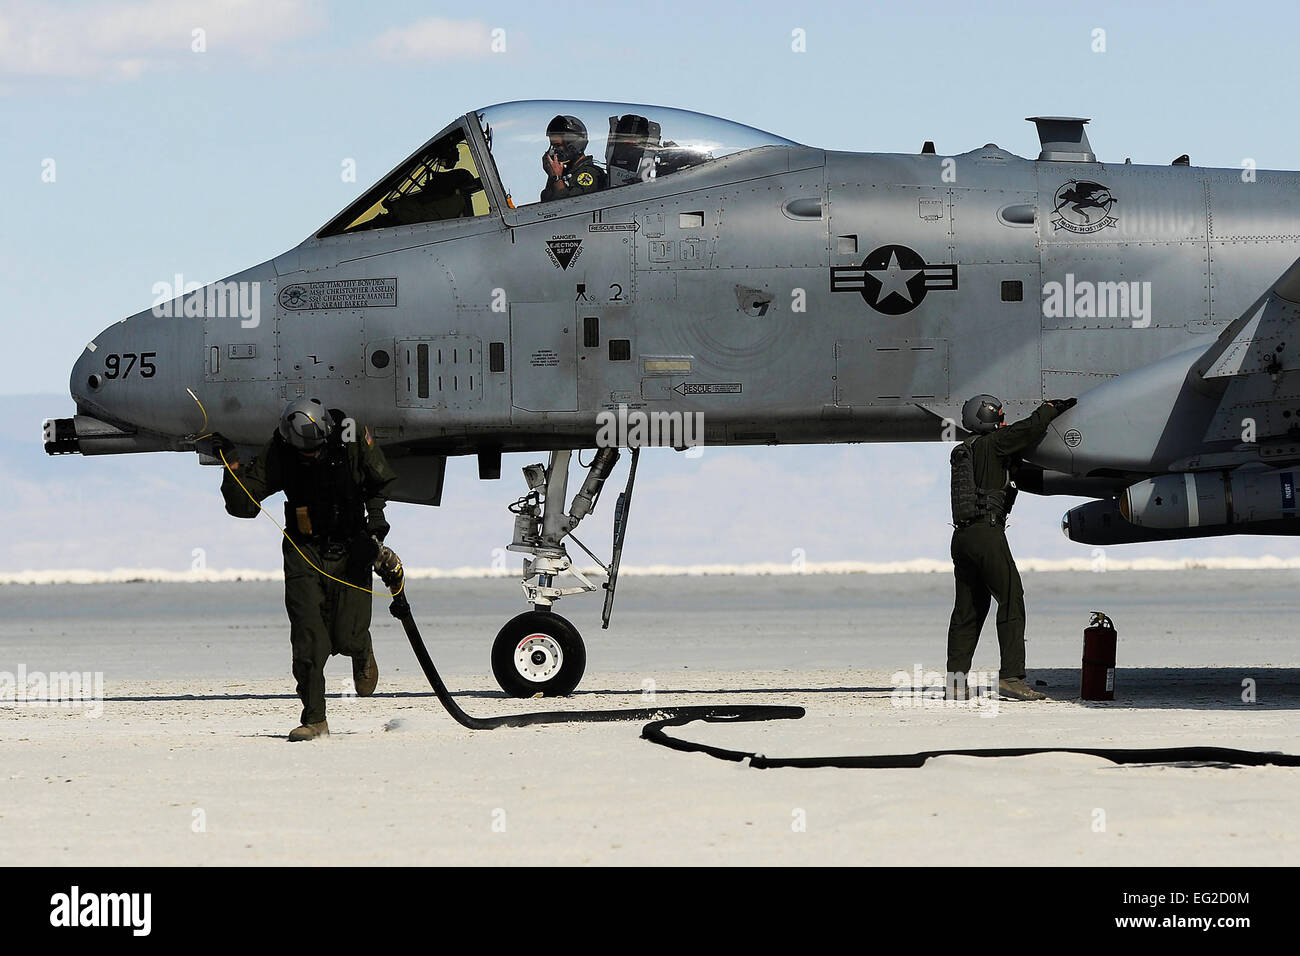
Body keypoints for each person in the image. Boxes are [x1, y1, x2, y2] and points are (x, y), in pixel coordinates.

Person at [212, 398, 397, 740]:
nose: (308, 456)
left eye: (313, 450)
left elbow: (379, 481)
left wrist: (375, 528)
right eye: (303, 452)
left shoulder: (350, 434)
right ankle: (315, 720)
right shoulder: (281, 448)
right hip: (304, 551)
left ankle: (361, 649)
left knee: (347, 634)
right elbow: (244, 504)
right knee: (309, 639)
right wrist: (231, 465)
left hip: (351, 548)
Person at [946, 394, 1077, 701]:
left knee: (968, 609)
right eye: (1000, 416)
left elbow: (1019, 475)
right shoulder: (995, 444)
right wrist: (1049, 409)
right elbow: (1028, 430)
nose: (1004, 421)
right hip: (986, 535)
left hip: (961, 538)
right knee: (1011, 599)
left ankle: (955, 682)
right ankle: (1011, 677)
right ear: (989, 419)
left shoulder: (965, 452)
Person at [540, 114, 607, 202]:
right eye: (552, 146)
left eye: (558, 145)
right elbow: (546, 203)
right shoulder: (563, 173)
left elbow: (570, 206)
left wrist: (556, 178)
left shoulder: (589, 174)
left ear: (575, 145)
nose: (554, 151)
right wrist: (552, 176)